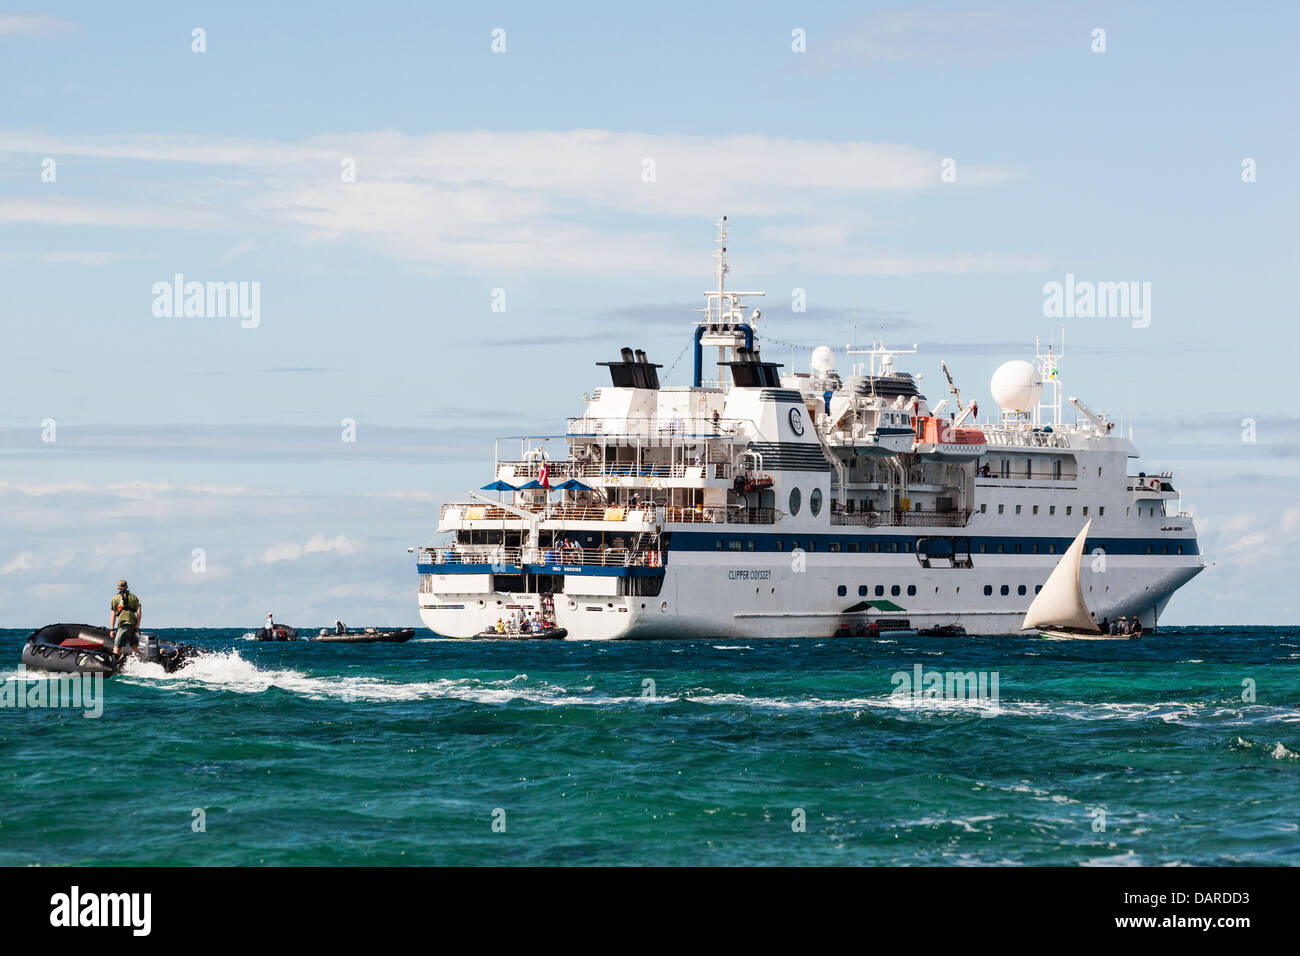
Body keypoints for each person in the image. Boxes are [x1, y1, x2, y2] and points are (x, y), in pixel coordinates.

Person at [109, 579, 142, 658]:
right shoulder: (134, 598)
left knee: (116, 647)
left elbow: (113, 613)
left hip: (123, 625)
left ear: (118, 588)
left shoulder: (115, 599)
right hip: (132, 626)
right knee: (135, 646)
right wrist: (137, 625)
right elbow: (139, 611)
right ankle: (139, 662)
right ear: (126, 587)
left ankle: (114, 663)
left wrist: (112, 629)